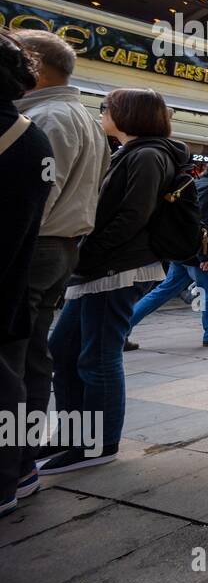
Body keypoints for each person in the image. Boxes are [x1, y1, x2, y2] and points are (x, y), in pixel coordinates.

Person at [44, 88, 189, 475]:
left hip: (117, 267)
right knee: (64, 347)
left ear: (127, 114)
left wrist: (86, 253)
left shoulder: (147, 154)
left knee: (98, 355)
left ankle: (99, 442)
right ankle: (75, 433)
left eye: (106, 108)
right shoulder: (135, 151)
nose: (102, 113)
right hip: (102, 267)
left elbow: (132, 216)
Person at [9, 30, 109, 506]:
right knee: (32, 353)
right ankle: (21, 458)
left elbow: (37, 197)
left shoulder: (48, 115)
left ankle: (15, 464)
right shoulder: (84, 117)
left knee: (15, 354)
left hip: (38, 245)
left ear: (32, 64)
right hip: (61, 246)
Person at [0, 31, 55, 516]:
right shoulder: (36, 132)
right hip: (28, 267)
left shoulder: (46, 123)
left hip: (43, 257)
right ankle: (20, 467)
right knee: (27, 362)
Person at [126, 157, 208, 348]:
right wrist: (206, 254)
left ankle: (120, 330)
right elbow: (204, 222)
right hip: (198, 253)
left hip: (187, 252)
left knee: (164, 291)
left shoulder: (202, 184)